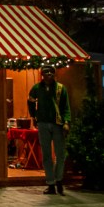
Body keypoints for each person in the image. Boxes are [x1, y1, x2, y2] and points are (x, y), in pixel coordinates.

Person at [28, 65, 71, 196]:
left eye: (51, 73)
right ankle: (51, 183)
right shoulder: (36, 88)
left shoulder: (61, 88)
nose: (49, 76)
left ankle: (59, 180)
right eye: (46, 73)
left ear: (54, 74)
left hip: (58, 124)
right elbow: (30, 101)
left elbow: (66, 107)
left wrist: (67, 122)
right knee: (46, 155)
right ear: (42, 75)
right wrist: (33, 115)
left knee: (60, 154)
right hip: (42, 123)